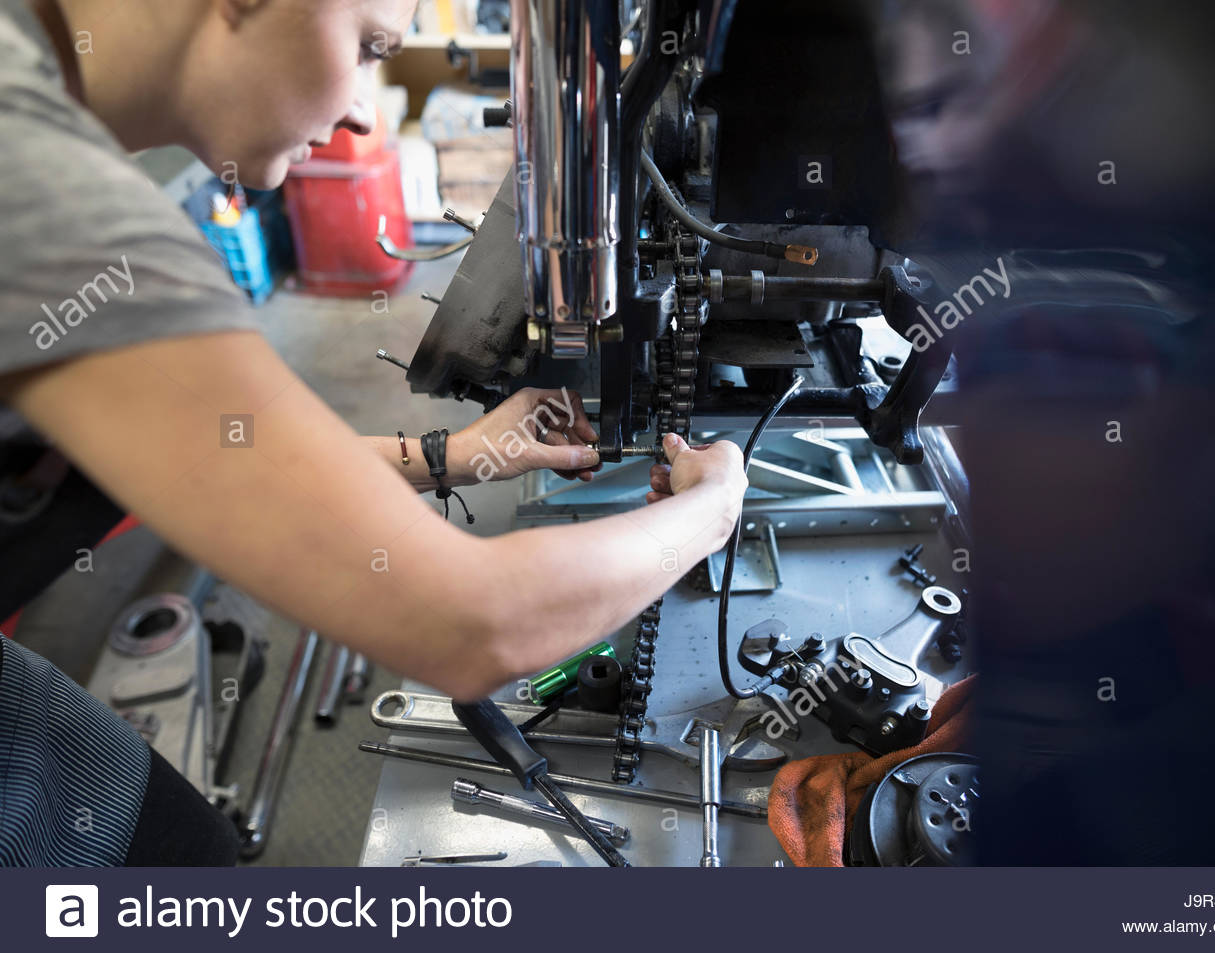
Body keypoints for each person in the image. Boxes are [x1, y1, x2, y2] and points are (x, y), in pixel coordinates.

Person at [0, 0, 747, 864]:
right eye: (366, 47)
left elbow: (225, 464)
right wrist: (714, 506)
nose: (363, 108)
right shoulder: (46, 196)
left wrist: (454, 456)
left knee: (181, 846)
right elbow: (475, 628)